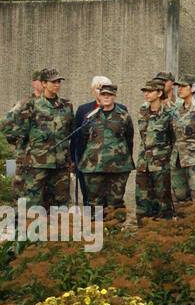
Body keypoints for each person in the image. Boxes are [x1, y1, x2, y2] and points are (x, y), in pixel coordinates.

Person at [1, 68, 74, 208]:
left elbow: (70, 130)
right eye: (53, 82)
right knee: (33, 203)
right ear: (44, 83)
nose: (57, 85)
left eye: (59, 82)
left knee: (61, 205)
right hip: (37, 163)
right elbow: (7, 125)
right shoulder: (31, 104)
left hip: (60, 163)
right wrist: (21, 144)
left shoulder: (66, 105)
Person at [79, 83, 135, 212]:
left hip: (118, 166)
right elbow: (84, 138)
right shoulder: (90, 116)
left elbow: (129, 138)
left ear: (114, 96)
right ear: (99, 96)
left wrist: (123, 157)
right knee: (94, 202)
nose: (106, 97)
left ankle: (114, 224)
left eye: (109, 94)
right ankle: (96, 224)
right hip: (94, 165)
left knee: (116, 202)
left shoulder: (124, 116)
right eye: (103, 94)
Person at [135, 79, 176, 219]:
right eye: (145, 91)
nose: (146, 94)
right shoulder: (143, 111)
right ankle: (143, 229)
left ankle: (163, 229)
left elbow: (174, 138)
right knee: (142, 201)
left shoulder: (169, 113)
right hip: (143, 163)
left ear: (159, 93)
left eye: (150, 91)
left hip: (161, 164)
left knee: (163, 201)